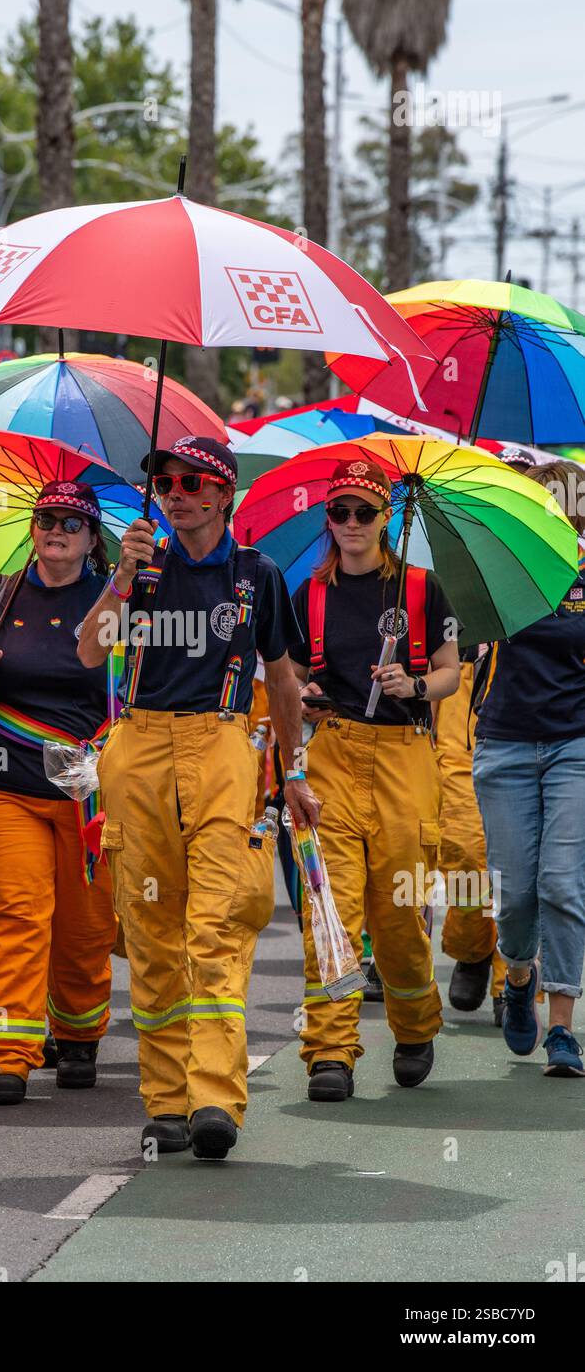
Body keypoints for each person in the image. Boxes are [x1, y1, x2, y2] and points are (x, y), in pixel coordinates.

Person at [78, 435, 317, 1161]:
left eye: (191, 482)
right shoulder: (139, 563)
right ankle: (168, 1102)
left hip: (222, 747)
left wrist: (296, 768)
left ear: (223, 494)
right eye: (165, 482)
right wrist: (120, 575)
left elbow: (281, 679)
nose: (174, 492)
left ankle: (215, 1095)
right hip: (139, 749)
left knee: (215, 922)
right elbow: (92, 651)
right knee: (151, 932)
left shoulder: (258, 574)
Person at [0, 481, 118, 1105]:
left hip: (90, 793)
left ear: (93, 538)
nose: (55, 529)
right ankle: (7, 1052)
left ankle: (80, 1033)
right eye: (46, 518)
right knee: (14, 912)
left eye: (71, 520)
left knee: (85, 925)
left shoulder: (119, 598)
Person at [291, 459, 460, 1101]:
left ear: (386, 517)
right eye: (341, 513)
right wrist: (305, 696)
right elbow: (294, 678)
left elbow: (448, 670)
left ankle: (415, 1024)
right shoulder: (310, 594)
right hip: (333, 752)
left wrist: (414, 684)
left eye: (365, 511)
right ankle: (330, 1052)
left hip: (405, 755)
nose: (353, 524)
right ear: (328, 520)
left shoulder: (421, 589)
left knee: (397, 914)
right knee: (330, 911)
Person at [472, 461, 585, 1078]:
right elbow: (449, 645)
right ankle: (518, 975)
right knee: (516, 895)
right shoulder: (493, 571)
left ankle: (564, 1027)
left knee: (562, 883)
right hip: (506, 746)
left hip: (576, 745)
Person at [435, 646, 505, 1023]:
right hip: (456, 716)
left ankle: (511, 979)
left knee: (520, 860)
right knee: (465, 852)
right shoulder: (437, 587)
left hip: (518, 705)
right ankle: (473, 949)